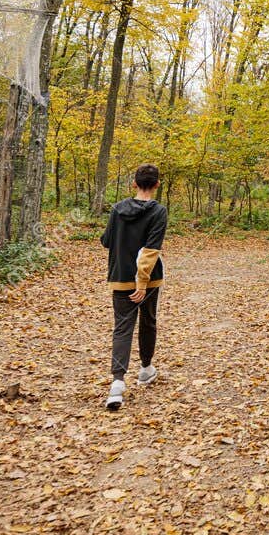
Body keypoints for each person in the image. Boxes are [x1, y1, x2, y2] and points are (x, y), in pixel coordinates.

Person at [100, 164, 168, 411]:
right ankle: (145, 369)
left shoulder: (118, 209)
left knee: (122, 327)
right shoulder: (159, 211)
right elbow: (151, 249)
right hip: (148, 280)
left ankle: (117, 384)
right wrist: (141, 282)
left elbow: (106, 241)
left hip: (120, 277)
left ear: (134, 184)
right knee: (148, 321)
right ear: (157, 185)